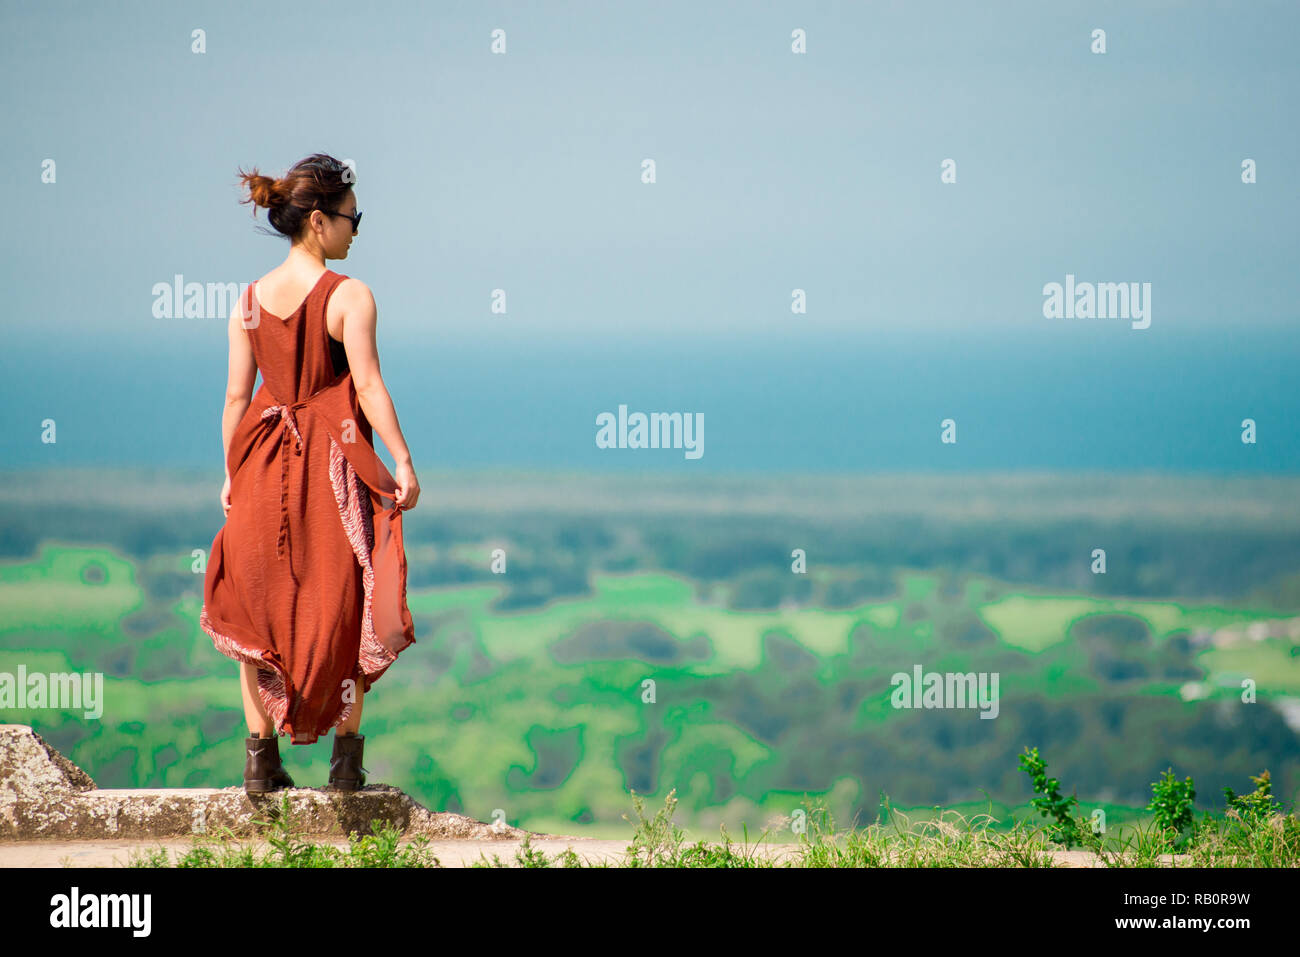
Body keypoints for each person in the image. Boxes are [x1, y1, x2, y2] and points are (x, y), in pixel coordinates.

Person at [199, 153, 420, 795]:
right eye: (353, 217)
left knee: (252, 604)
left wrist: (231, 474)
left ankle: (260, 761)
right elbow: (369, 385)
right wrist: (401, 459)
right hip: (332, 463)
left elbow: (236, 400)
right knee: (345, 598)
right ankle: (346, 763)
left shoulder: (245, 302)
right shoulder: (350, 296)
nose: (357, 230)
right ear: (319, 220)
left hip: (261, 461)